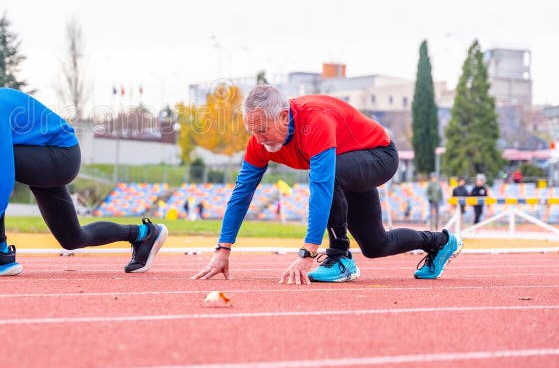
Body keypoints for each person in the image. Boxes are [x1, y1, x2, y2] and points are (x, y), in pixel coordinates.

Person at [0, 69, 167, 278]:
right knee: (72, 238)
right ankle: (143, 234)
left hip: (61, 156)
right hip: (34, 155)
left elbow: (1, 180)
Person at [193, 85, 463, 284]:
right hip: (347, 166)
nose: (259, 139)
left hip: (380, 155)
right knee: (376, 245)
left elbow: (321, 187)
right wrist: (222, 249)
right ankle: (440, 242)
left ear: (285, 116)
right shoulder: (259, 143)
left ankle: (340, 257)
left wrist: (307, 253)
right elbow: (241, 194)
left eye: (263, 130)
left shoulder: (315, 121)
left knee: (329, 177)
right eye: (252, 131)